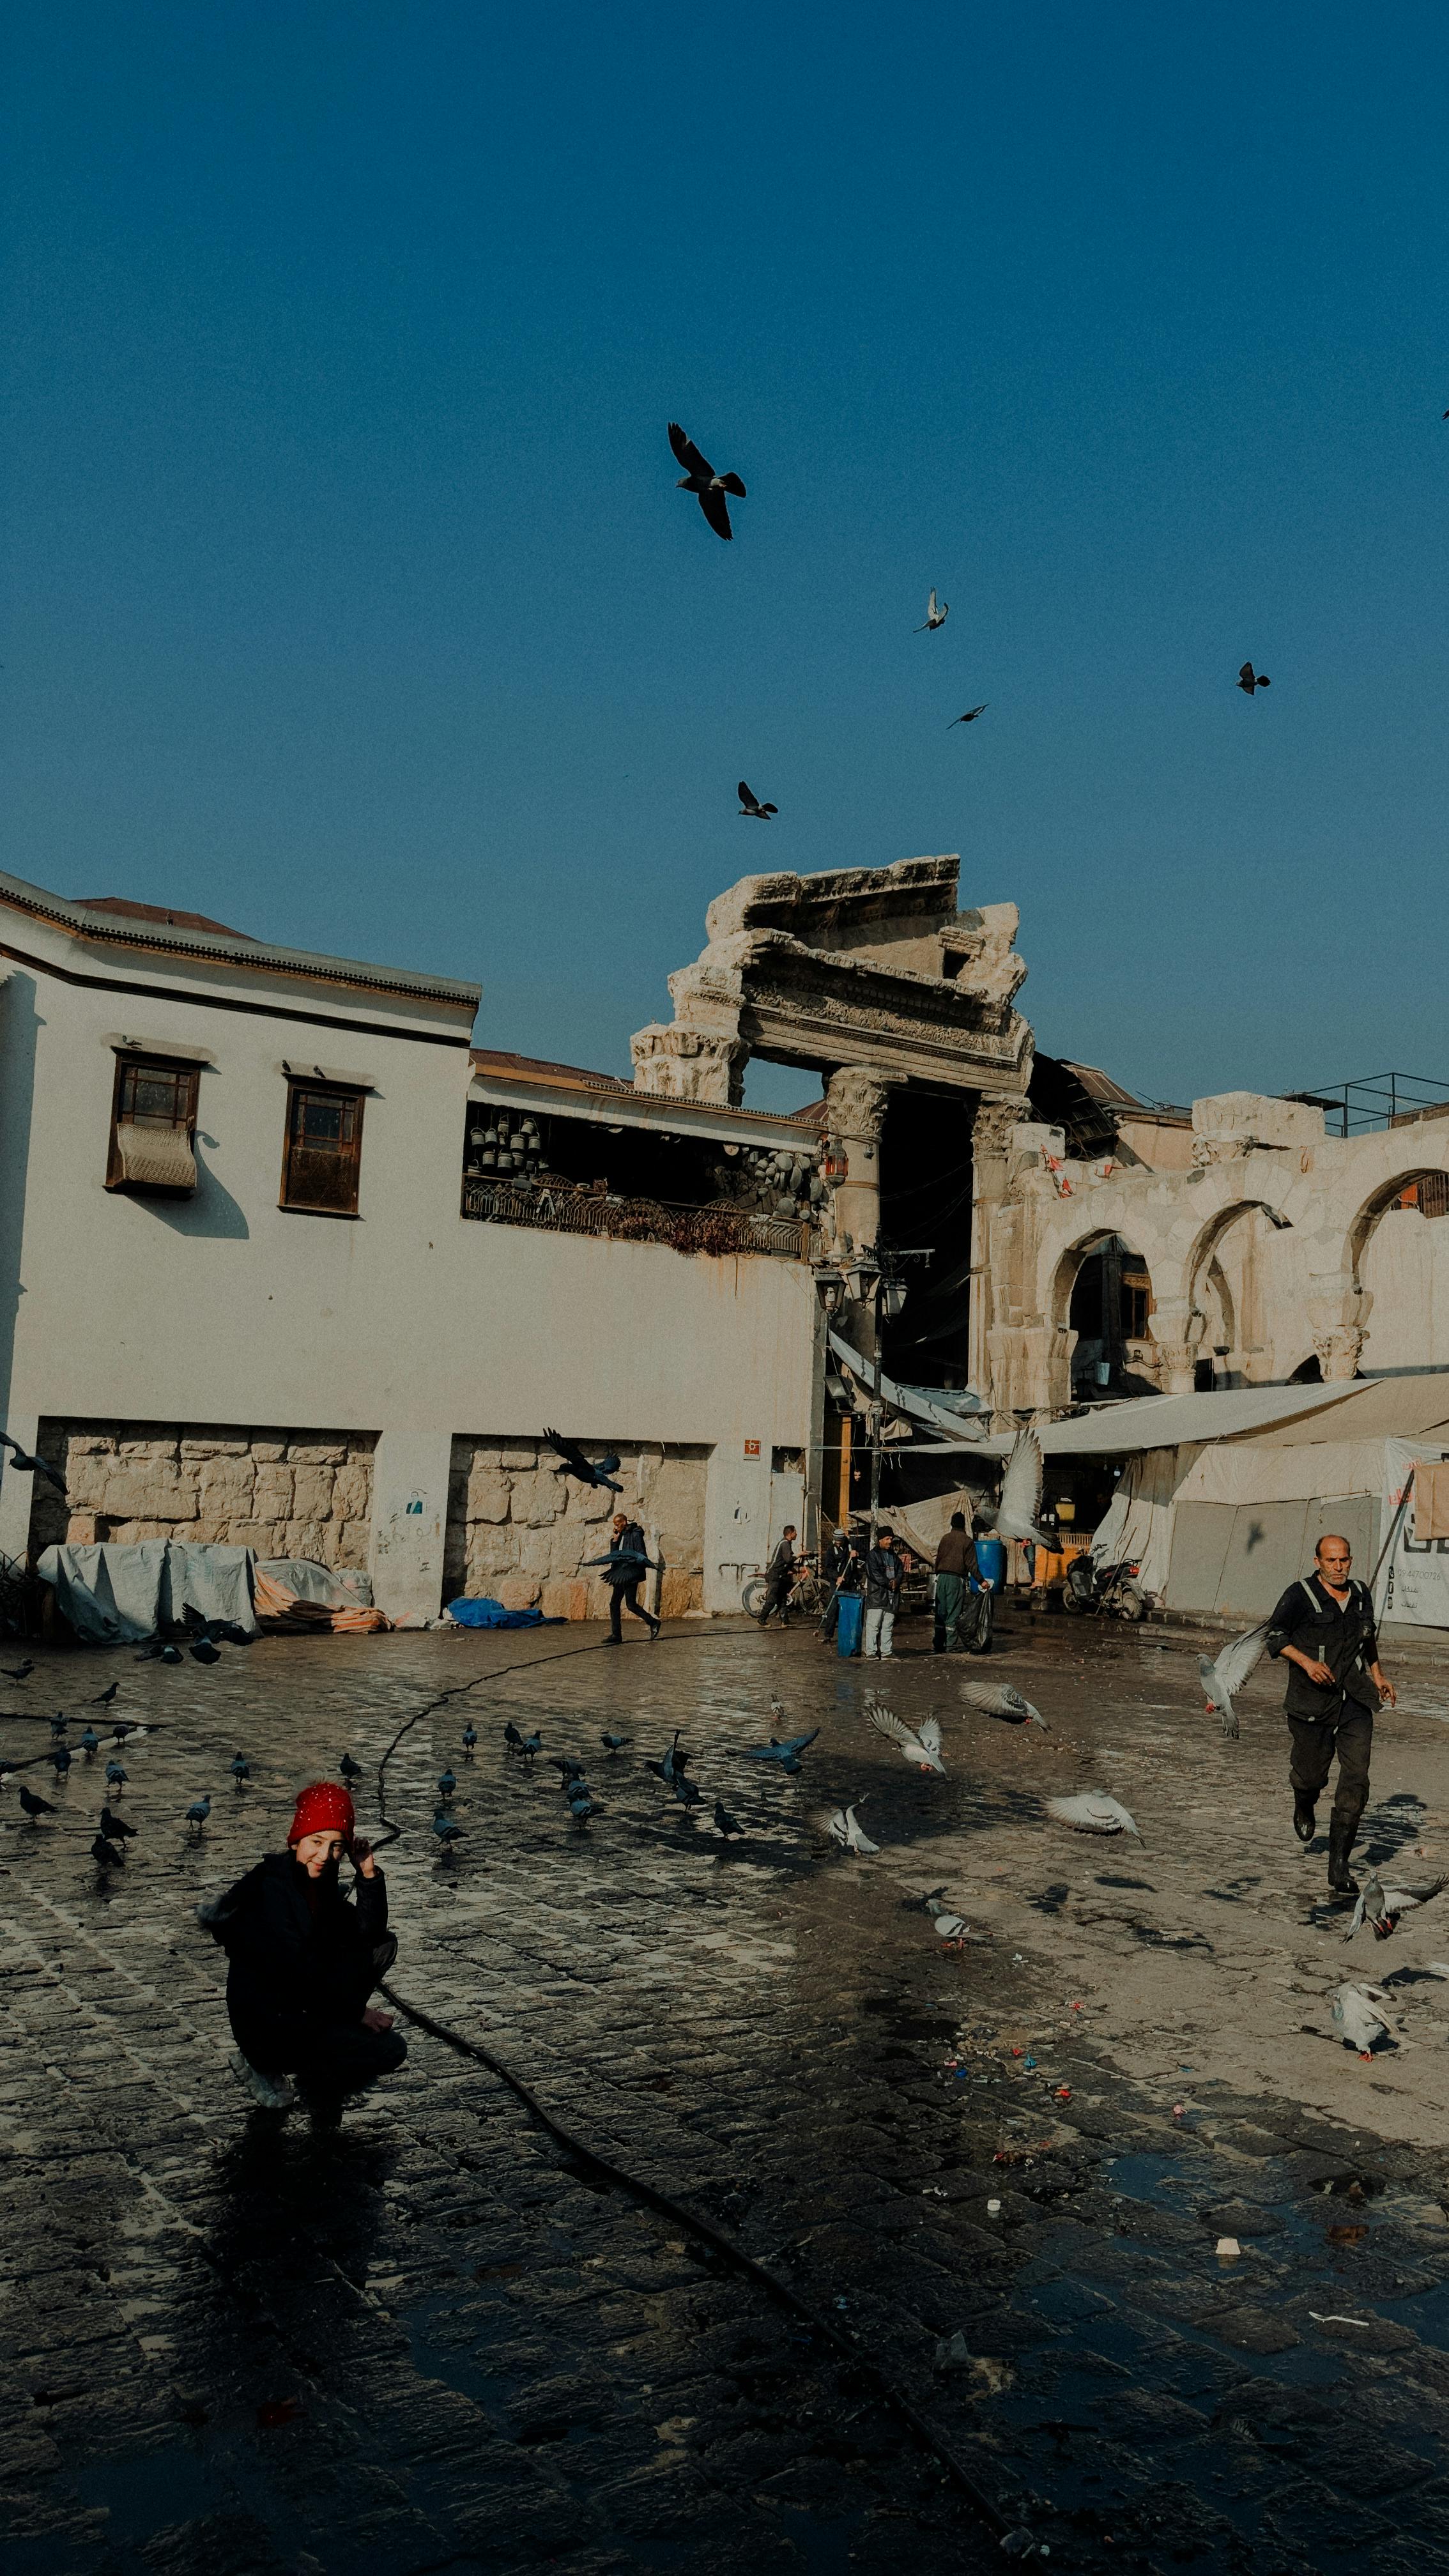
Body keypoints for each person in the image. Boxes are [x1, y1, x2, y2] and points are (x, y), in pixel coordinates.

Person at [199, 1781, 406, 2113]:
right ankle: (267, 2065)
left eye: (337, 1846)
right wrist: (356, 2013)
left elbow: (368, 1935)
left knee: (381, 1947)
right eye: (317, 1842)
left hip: (301, 2008)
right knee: (389, 2049)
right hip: (268, 2022)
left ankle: (322, 2068)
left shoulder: (317, 1884)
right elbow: (295, 1973)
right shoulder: (272, 1889)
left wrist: (367, 1872)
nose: (325, 1856)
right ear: (296, 1840)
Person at [1266, 1532, 1397, 1894]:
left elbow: (1367, 1637)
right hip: (1312, 1702)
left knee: (1356, 1778)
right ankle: (1304, 1803)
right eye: (1331, 1561)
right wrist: (1306, 1662)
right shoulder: (1299, 1595)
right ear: (1317, 1562)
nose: (1339, 1568)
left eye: (1344, 1560)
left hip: (1355, 1699)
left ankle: (1339, 1865)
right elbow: (1274, 1636)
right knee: (1310, 1776)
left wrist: (1378, 1675)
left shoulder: (1359, 1594)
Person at [601, 1510, 660, 1644]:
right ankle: (616, 1635)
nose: (615, 1527)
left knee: (631, 1604)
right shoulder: (621, 1535)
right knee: (614, 1603)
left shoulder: (635, 1534)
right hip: (619, 1575)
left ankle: (654, 1622)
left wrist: (629, 1568)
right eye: (614, 1525)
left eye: (617, 1524)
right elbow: (615, 1556)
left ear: (624, 1522)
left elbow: (641, 1555)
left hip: (630, 1575)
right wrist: (615, 1541)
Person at [933, 1511, 987, 1654]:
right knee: (953, 1612)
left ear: (951, 1524)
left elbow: (938, 1559)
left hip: (941, 1578)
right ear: (964, 1525)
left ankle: (938, 1643)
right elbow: (972, 1565)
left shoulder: (945, 1538)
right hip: (956, 1580)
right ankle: (950, 1645)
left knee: (940, 1612)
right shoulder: (967, 1541)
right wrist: (981, 1581)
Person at [862, 1526, 904, 1659]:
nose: (889, 1541)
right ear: (880, 1540)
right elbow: (873, 1574)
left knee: (888, 1625)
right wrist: (888, 1583)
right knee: (874, 1625)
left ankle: (887, 1651)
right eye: (887, 1539)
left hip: (892, 1596)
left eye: (891, 1539)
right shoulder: (872, 1556)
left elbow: (900, 1571)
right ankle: (871, 1652)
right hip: (877, 1596)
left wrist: (897, 1581)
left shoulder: (894, 1557)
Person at [816, 1526, 861, 1644]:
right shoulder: (831, 1550)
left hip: (850, 1581)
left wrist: (857, 1553)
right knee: (833, 1608)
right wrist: (837, 1577)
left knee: (849, 1608)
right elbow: (829, 1568)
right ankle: (828, 1635)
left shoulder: (850, 1544)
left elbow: (863, 1551)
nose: (838, 1543)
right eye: (836, 1541)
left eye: (840, 1541)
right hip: (837, 1582)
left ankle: (851, 1633)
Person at [756, 1525, 797, 1629]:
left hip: (780, 1576)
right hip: (775, 1575)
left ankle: (785, 1621)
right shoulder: (785, 1544)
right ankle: (761, 1620)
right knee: (772, 1599)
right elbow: (788, 1559)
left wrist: (794, 1570)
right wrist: (800, 1555)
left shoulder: (787, 1543)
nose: (796, 1534)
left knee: (782, 1599)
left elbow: (785, 1561)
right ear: (790, 1534)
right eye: (795, 1532)